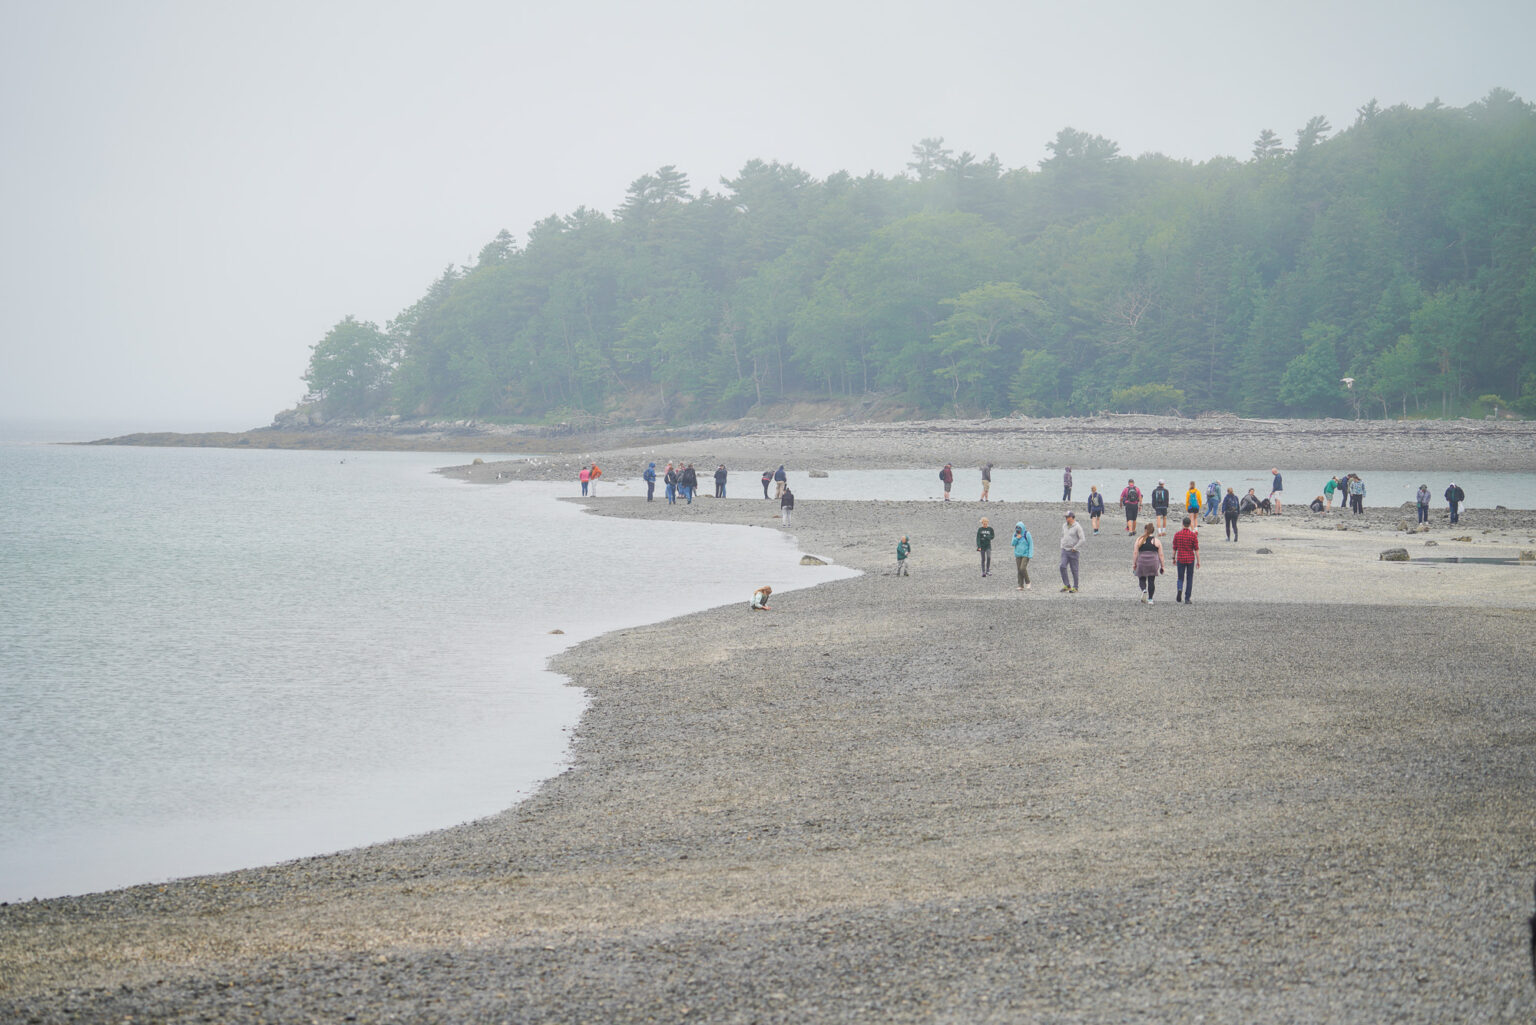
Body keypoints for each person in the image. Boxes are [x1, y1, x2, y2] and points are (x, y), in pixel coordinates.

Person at [1132, 522, 1164, 604]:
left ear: (1145, 530)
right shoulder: (1156, 541)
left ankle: (1144, 590)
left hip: (1142, 561)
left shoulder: (1139, 540)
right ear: (1153, 531)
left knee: (1141, 578)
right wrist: (1162, 566)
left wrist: (1134, 564)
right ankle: (1150, 599)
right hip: (1153, 562)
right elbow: (1161, 554)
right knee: (1151, 580)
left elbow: (1135, 553)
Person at [1172, 515, 1200, 603]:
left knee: (1180, 577)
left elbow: (1174, 548)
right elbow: (1196, 549)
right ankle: (1187, 598)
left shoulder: (1177, 534)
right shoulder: (1193, 535)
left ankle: (1179, 588)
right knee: (1189, 578)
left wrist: (1173, 558)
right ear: (1190, 524)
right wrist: (1198, 561)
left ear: (1182, 524)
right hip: (1190, 559)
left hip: (1180, 558)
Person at [1059, 510, 1085, 593]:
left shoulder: (1077, 527)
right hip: (1064, 550)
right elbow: (1063, 535)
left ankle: (1075, 587)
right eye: (1065, 517)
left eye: (1067, 517)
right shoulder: (1064, 526)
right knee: (1062, 566)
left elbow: (1082, 539)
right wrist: (1062, 545)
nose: (1066, 518)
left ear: (1072, 517)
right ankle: (1067, 585)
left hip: (1074, 551)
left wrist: (1075, 547)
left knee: (1074, 569)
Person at [1011, 521, 1033, 590]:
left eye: (1019, 528)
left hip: (1025, 555)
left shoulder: (1027, 534)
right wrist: (1017, 538)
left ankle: (1028, 582)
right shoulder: (1015, 535)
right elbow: (1013, 544)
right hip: (1018, 555)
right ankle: (1020, 585)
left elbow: (1031, 544)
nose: (1018, 530)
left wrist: (1030, 554)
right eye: (1017, 528)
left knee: (1022, 568)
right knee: (1019, 570)